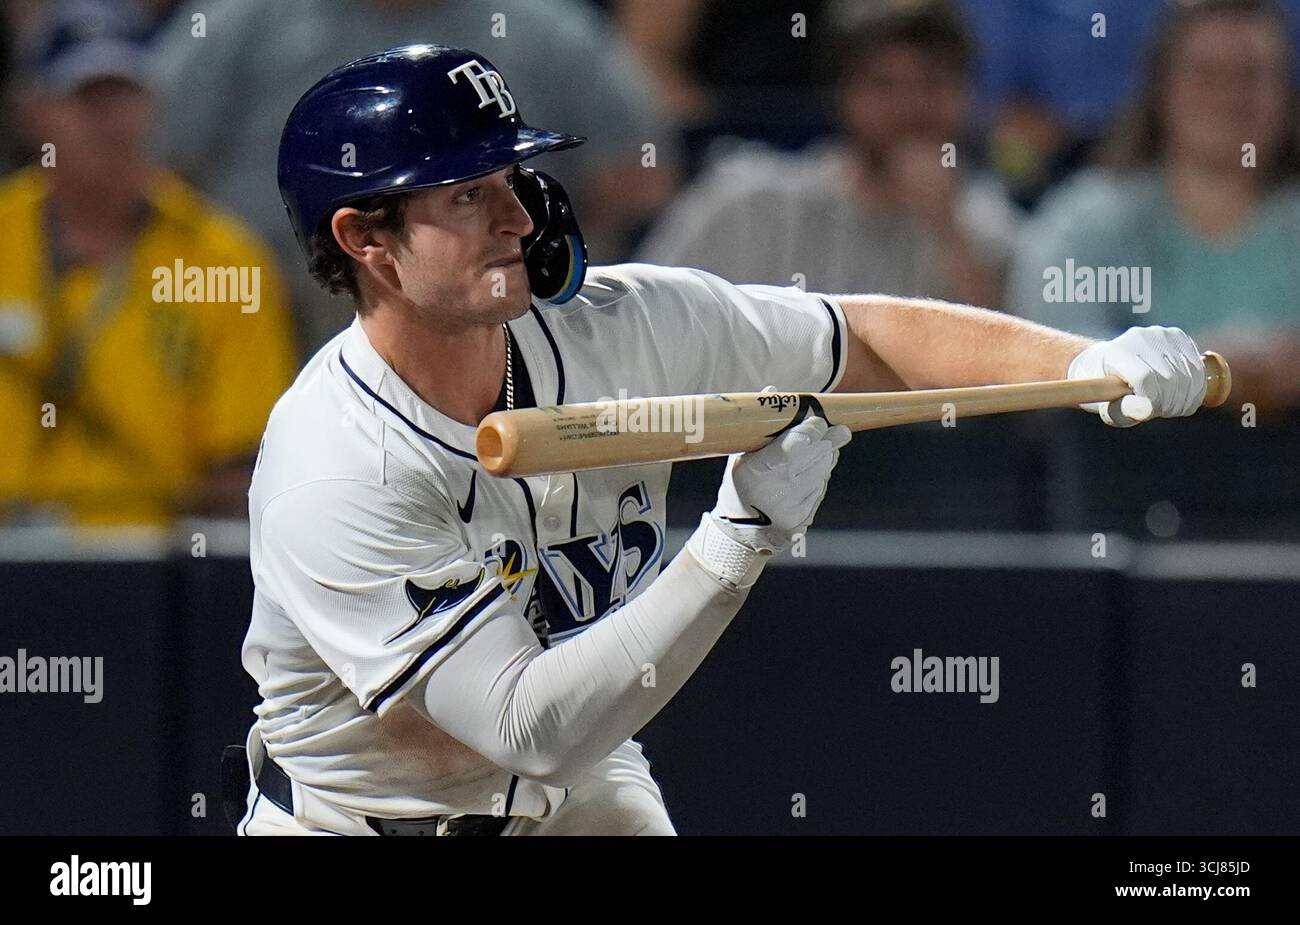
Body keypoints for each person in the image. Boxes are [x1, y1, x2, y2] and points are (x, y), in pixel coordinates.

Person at [229, 44, 1212, 836]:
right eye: (465, 195)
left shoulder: (624, 323)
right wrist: (738, 534)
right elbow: (524, 724)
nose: (517, 216)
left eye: (514, 176)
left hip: (575, 792)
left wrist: (1087, 366)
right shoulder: (331, 462)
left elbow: (863, 334)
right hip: (361, 816)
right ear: (366, 239)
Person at [147, 0, 678, 355]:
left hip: (505, 326)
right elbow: (144, 161)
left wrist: (538, 264)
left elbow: (637, 180)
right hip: (259, 327)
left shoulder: (540, 25)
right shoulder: (246, 19)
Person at [0, 0, 296, 526]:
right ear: (33, 114)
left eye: (126, 96)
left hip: (154, 567)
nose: (111, 123)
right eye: (85, 99)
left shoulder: (223, 259)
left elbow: (244, 463)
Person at [1009, 0, 1300, 411]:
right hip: (1125, 466)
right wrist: (1197, 369)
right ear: (1161, 88)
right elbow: (1050, 354)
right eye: (1205, 74)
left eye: (1252, 75)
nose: (1229, 96)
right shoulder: (1082, 224)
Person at [636, 0, 1020, 308]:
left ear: (966, 97)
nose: (907, 105)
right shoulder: (745, 198)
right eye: (881, 84)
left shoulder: (989, 228)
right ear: (841, 95)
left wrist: (945, 229)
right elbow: (643, 308)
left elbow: (1011, 385)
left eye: (931, 82)